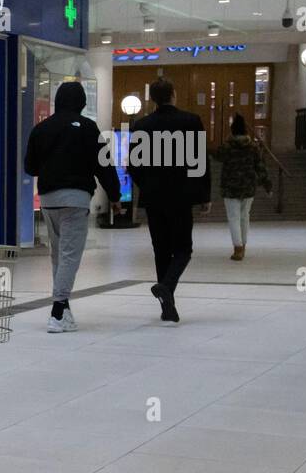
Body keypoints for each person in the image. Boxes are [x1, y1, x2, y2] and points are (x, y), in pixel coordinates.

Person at [24, 81, 122, 333]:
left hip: (48, 200)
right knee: (69, 255)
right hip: (76, 199)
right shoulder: (88, 128)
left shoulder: (41, 129)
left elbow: (30, 167)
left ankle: (64, 309)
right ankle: (57, 311)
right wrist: (114, 195)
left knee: (58, 254)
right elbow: (104, 165)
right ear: (82, 102)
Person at [127, 79, 212, 324]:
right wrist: (204, 195)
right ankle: (166, 286)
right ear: (173, 95)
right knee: (184, 248)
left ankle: (167, 306)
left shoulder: (142, 125)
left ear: (152, 97)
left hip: (154, 197)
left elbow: (133, 165)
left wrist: (147, 185)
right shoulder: (190, 121)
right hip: (181, 196)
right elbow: (200, 161)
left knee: (161, 250)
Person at [213, 113, 272, 261]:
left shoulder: (227, 146)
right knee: (245, 217)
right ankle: (243, 246)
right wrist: (267, 184)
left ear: (232, 130)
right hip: (248, 186)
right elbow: (260, 167)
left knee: (234, 218)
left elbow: (217, 156)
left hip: (230, 187)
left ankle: (237, 248)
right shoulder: (252, 147)